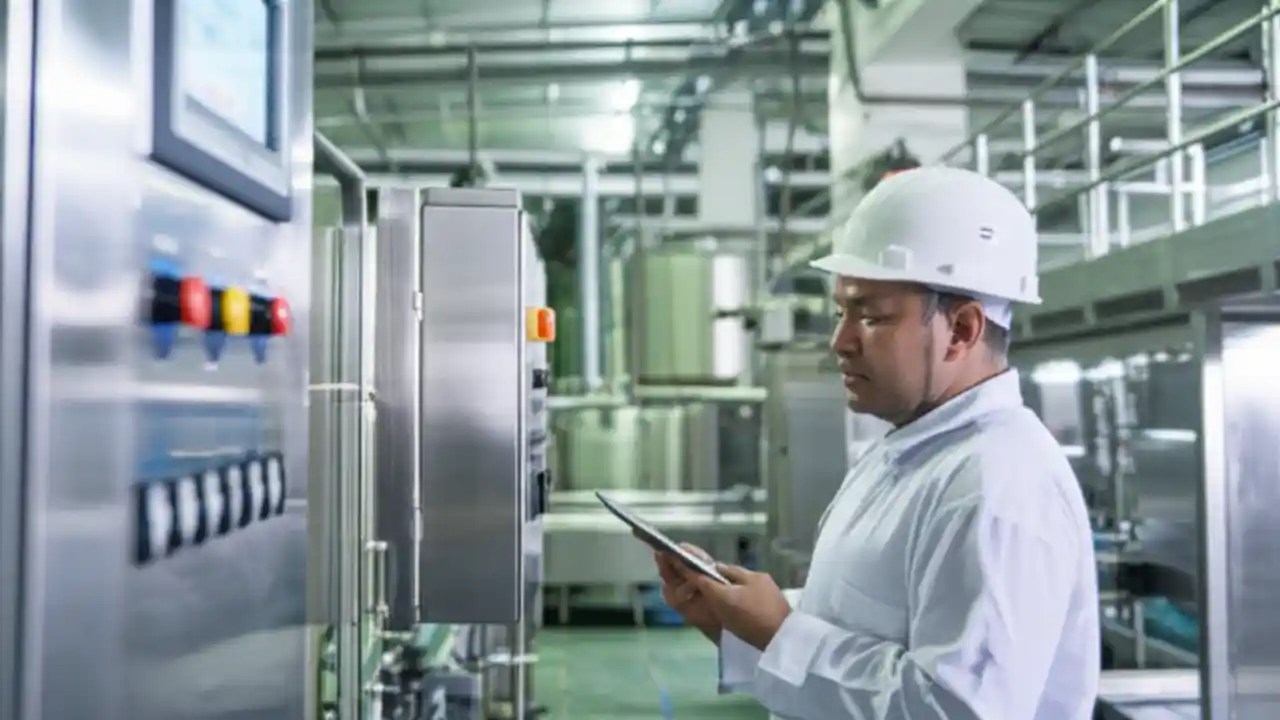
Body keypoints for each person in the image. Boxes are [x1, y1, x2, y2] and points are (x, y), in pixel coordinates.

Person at [651, 166, 1100, 719]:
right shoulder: (907, 453)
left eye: (872, 316)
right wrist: (733, 620)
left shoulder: (997, 487)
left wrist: (779, 631)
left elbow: (956, 710)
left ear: (962, 330)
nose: (839, 341)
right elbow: (855, 632)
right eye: (842, 311)